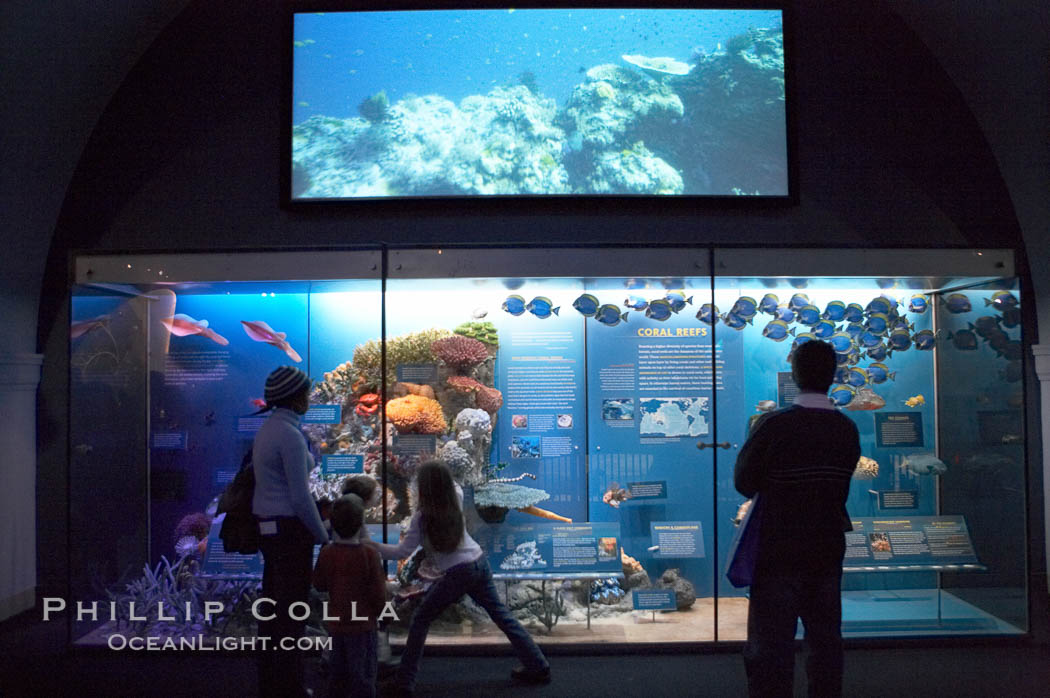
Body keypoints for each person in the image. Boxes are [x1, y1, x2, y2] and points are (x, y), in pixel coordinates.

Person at [734, 340, 860, 698]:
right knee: (825, 641)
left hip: (779, 546)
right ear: (833, 377)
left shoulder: (773, 425)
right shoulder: (846, 429)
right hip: (826, 545)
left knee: (771, 645)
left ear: (795, 375)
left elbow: (744, 482)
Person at [368, 461, 550, 697]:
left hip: (457, 573)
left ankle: (404, 682)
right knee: (502, 616)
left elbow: (401, 552)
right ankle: (538, 665)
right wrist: (435, 464)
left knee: (421, 619)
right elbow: (451, 484)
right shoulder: (456, 498)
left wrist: (371, 546)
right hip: (478, 562)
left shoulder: (422, 518)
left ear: (422, 488)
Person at [252, 365, 330, 698]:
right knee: (291, 613)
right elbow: (299, 496)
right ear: (294, 396)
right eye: (305, 392)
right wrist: (323, 536)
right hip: (288, 532)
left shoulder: (270, 428)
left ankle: (272, 683)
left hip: (270, 530)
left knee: (273, 609)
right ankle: (291, 687)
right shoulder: (288, 435)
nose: (309, 398)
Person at [313, 494, 387, 698]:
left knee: (337, 676)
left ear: (333, 524)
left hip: (336, 626)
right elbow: (378, 592)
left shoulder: (327, 552)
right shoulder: (369, 554)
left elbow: (318, 584)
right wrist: (385, 616)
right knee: (363, 676)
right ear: (361, 523)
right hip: (363, 626)